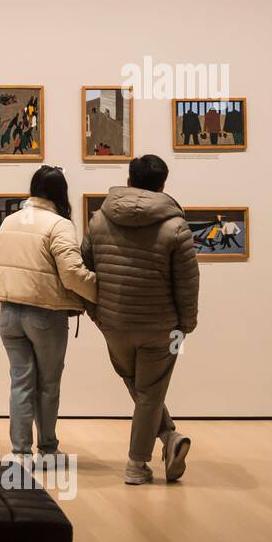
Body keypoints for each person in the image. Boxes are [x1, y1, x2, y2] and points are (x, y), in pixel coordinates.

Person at [81, 155, 198, 485]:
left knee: (141, 388)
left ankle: (170, 438)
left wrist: (95, 313)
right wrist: (185, 324)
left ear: (129, 180)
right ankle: (137, 464)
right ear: (163, 186)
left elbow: (84, 270)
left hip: (113, 325)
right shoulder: (175, 227)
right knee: (150, 392)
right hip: (160, 328)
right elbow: (188, 282)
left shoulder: (99, 221)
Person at [0, 166, 97, 457]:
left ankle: (21, 452)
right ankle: (48, 447)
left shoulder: (9, 221)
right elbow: (73, 274)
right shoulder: (58, 224)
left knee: (20, 381)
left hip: (9, 313)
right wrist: (99, 292)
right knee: (48, 384)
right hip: (45, 313)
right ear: (61, 193)